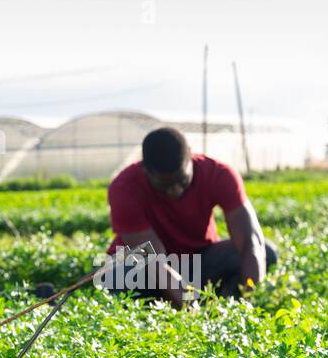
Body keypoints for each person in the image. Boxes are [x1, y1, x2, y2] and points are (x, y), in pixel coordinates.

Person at [104, 126, 277, 306]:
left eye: (182, 181)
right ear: (146, 170)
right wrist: (191, 311)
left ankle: (225, 305)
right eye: (164, 185)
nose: (174, 191)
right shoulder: (124, 187)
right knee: (117, 277)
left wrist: (250, 300)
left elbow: (250, 242)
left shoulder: (218, 174)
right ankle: (164, 309)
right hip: (145, 268)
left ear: (190, 157)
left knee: (266, 252)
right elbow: (155, 262)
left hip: (197, 262)